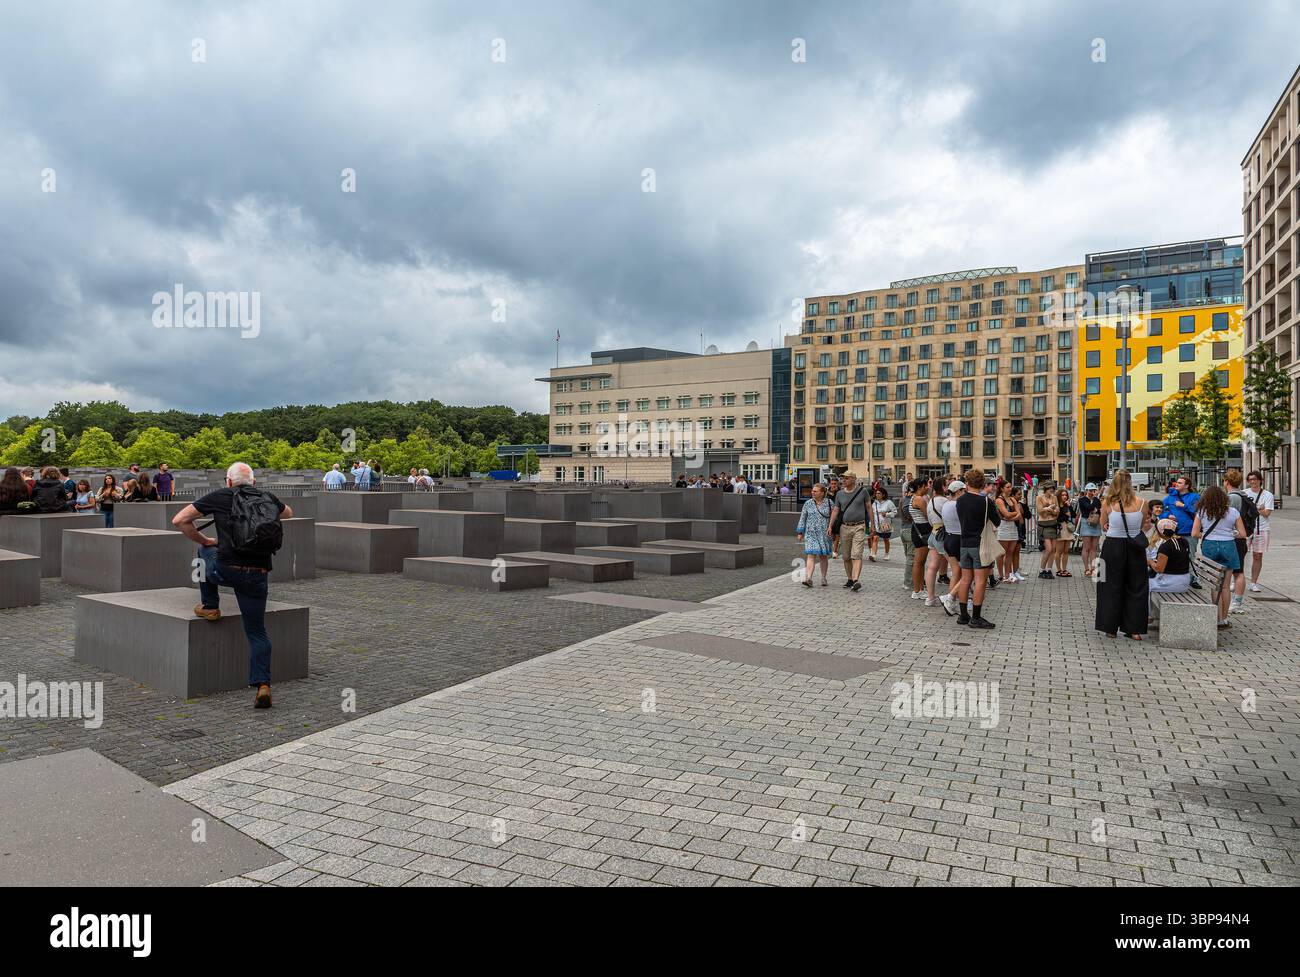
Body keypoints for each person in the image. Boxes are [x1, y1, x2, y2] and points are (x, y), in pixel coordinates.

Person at [172, 462, 293, 709]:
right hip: (258, 573)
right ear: (254, 482)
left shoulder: (221, 496)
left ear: (228, 481)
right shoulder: (267, 497)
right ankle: (263, 684)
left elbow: (180, 520)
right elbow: (287, 513)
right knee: (257, 631)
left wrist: (205, 539)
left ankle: (210, 605)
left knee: (202, 552)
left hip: (226, 569)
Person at [1095, 470, 1149, 640]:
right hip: (1136, 548)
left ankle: (1110, 627)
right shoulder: (1142, 503)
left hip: (1112, 547)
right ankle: (1135, 629)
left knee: (1108, 585)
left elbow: (1103, 523)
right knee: (1137, 587)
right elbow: (1141, 525)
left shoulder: (1108, 503)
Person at [1192, 484, 1247, 630]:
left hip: (1209, 546)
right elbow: (1242, 534)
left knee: (1214, 584)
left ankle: (1216, 617)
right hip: (1228, 546)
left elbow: (1194, 533)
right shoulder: (1233, 512)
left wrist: (1203, 535)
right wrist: (1231, 533)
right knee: (1225, 586)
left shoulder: (1202, 512)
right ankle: (1224, 618)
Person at [951, 469, 999, 628]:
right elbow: (997, 521)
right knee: (980, 581)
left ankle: (963, 615)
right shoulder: (986, 501)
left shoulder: (960, 500)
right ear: (982, 484)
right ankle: (976, 617)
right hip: (980, 544)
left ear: (967, 482)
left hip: (964, 543)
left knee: (965, 579)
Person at [1146, 518, 1191, 625]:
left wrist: (1150, 562)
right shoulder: (1184, 541)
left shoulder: (1165, 546)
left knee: (1143, 585)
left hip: (1172, 583)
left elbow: (1159, 569)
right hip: (1184, 581)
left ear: (1160, 532)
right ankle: (1154, 616)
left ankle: (1147, 615)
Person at [831, 471, 868, 592]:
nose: (844, 480)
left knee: (856, 554)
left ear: (853, 479)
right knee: (846, 556)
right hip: (844, 527)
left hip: (859, 526)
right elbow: (836, 510)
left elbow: (869, 508)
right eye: (843, 478)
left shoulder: (863, 491)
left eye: (846, 478)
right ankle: (850, 579)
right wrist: (830, 525)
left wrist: (873, 525)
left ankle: (856, 579)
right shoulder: (840, 494)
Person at [1223, 469, 1253, 615]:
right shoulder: (1243, 494)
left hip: (1235, 537)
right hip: (1240, 538)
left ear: (1226, 482)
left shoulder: (1232, 497)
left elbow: (1229, 519)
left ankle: (1237, 603)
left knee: (1237, 572)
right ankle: (1236, 602)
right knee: (1237, 571)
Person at [1163, 475, 1201, 588]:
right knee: (1172, 555)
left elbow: (1197, 511)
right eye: (1177, 482)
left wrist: (1183, 505)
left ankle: (1192, 578)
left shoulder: (1194, 497)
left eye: (1180, 483)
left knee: (1190, 555)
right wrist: (1167, 515)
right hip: (1173, 532)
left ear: (1187, 485)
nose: (1176, 484)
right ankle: (1174, 577)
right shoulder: (1170, 498)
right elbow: (1161, 511)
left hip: (1190, 531)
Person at [934, 480, 965, 611]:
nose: (966, 494)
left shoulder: (946, 504)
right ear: (958, 492)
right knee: (967, 573)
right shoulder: (957, 504)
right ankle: (950, 597)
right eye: (964, 491)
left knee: (956, 572)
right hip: (958, 539)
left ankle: (950, 600)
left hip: (949, 538)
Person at [795, 482, 833, 587]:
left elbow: (833, 517)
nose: (812, 492)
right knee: (810, 555)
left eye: (815, 491)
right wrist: (800, 532)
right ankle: (809, 578)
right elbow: (803, 518)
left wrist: (832, 529)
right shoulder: (808, 503)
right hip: (810, 533)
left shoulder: (829, 503)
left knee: (823, 556)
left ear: (822, 493)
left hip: (824, 533)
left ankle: (824, 578)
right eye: (812, 491)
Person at [1244, 470, 1275, 593]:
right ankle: (1236, 581)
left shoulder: (1268, 495)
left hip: (1261, 528)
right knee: (1241, 555)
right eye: (1250, 479)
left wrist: (1253, 508)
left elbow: (1267, 513)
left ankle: (1253, 583)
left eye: (1255, 479)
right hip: (1246, 529)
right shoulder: (1244, 494)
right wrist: (1258, 508)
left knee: (1257, 556)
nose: (1253, 482)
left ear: (1260, 480)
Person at [907, 476, 933, 600]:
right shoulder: (919, 499)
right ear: (920, 487)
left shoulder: (914, 497)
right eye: (925, 486)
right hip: (923, 530)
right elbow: (928, 516)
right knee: (919, 562)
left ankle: (919, 589)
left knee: (919, 562)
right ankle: (917, 590)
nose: (927, 488)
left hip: (917, 529)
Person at [994, 480, 1022, 582]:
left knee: (1010, 552)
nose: (1010, 489)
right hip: (1003, 528)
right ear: (1002, 488)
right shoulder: (999, 500)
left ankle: (1008, 575)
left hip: (1013, 527)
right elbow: (1006, 514)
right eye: (1008, 487)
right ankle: (1001, 575)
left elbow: (1019, 514)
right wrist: (1013, 515)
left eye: (1010, 487)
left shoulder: (1013, 499)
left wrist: (1012, 516)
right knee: (1002, 553)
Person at [1034, 482, 1060, 579]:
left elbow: (1058, 510)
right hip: (1044, 524)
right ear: (1046, 488)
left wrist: (1052, 511)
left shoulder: (1054, 497)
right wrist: (1049, 509)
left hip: (1053, 524)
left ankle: (1049, 569)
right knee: (1048, 549)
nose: (1052, 490)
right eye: (1050, 488)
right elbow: (1040, 511)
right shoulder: (1039, 497)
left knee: (1053, 549)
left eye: (1053, 488)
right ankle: (1042, 569)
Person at [1077, 483, 1102, 577]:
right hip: (1086, 523)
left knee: (1094, 548)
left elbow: (1098, 508)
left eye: (1094, 490)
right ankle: (1086, 568)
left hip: (1095, 523)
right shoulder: (1082, 499)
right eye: (1090, 490)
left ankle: (1093, 568)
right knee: (1086, 547)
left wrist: (1095, 501)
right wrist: (1094, 505)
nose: (1092, 492)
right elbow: (1089, 508)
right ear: (1086, 490)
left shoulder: (1096, 499)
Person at [868, 486, 896, 562]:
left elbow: (895, 512)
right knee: (875, 538)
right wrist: (871, 524)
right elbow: (872, 514)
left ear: (883, 494)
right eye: (876, 493)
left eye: (879, 493)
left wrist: (887, 514)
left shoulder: (889, 503)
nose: (877, 495)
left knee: (886, 539)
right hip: (876, 525)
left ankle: (887, 553)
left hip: (885, 525)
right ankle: (873, 554)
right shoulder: (874, 503)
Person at [898, 478, 916, 590]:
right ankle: (908, 582)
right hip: (910, 530)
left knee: (909, 557)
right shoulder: (910, 501)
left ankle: (912, 579)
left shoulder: (902, 500)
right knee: (911, 558)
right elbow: (908, 514)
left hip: (903, 530)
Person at [1055, 488, 1075, 577]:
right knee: (1059, 551)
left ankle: (1064, 569)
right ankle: (1059, 570)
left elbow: (1074, 515)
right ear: (1059, 496)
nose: (1064, 496)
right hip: (1060, 528)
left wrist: (1069, 506)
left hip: (1068, 528)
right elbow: (1058, 518)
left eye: (1066, 495)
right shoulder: (1057, 505)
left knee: (1066, 551)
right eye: (1063, 495)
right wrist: (1065, 513)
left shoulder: (1067, 505)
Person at [826, 475, 842, 557]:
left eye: (835, 483)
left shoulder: (840, 492)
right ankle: (834, 544)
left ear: (838, 484)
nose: (833, 485)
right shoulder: (826, 492)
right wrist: (829, 494)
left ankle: (835, 551)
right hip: (828, 515)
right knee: (831, 534)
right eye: (832, 483)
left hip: (838, 515)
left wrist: (835, 494)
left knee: (837, 533)